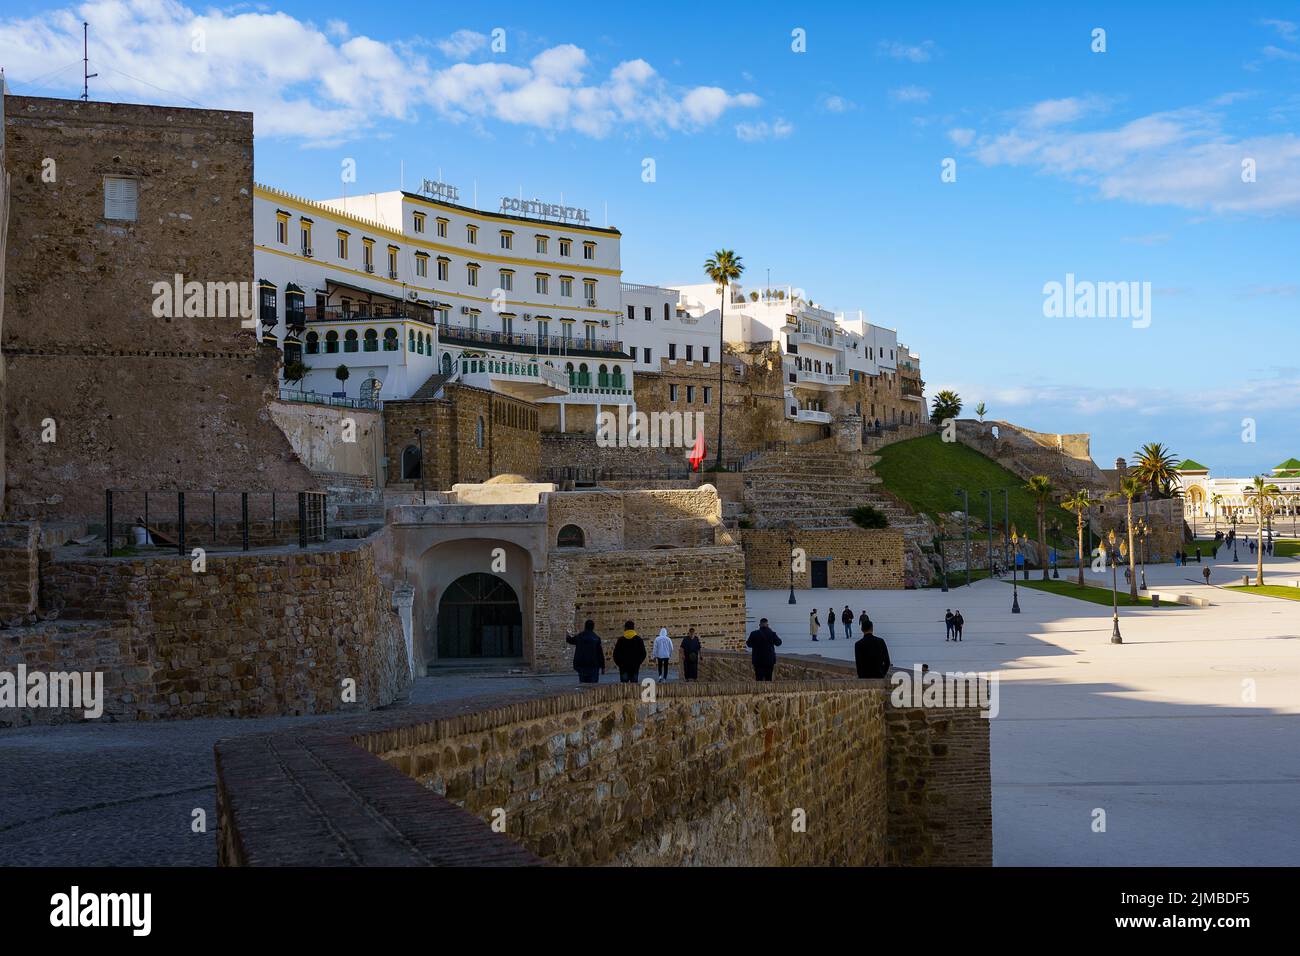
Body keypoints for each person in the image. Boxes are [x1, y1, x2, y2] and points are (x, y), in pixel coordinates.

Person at [566, 619, 605, 685]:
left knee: (583, 685)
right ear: (593, 627)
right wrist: (603, 666)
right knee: (593, 686)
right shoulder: (596, 638)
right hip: (593, 665)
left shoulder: (579, 637)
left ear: (585, 626)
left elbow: (570, 640)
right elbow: (600, 653)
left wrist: (567, 635)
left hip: (582, 665)